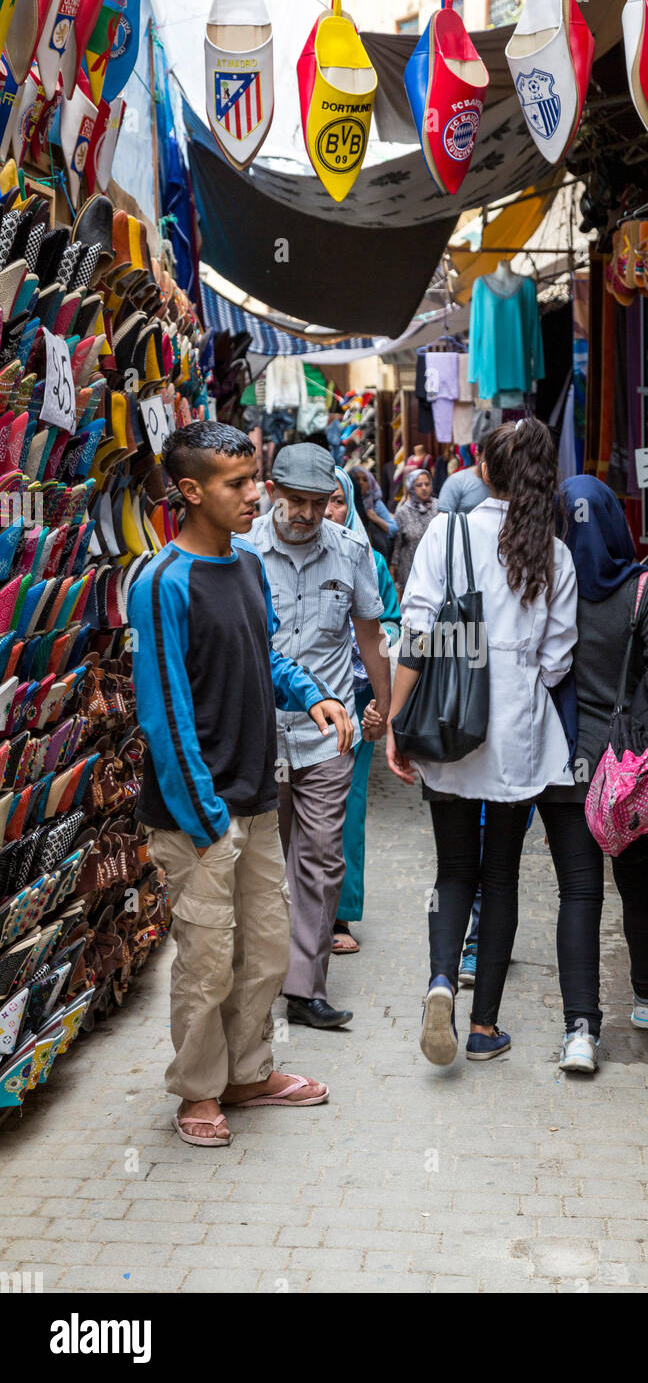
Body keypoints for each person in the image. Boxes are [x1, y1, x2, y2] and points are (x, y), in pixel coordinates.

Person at [128, 421, 353, 1148]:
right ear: (191, 492)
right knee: (205, 960)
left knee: (264, 951)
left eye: (254, 479)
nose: (256, 495)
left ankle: (248, 1074)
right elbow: (165, 714)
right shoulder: (161, 583)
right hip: (200, 817)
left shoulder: (249, 566)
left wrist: (311, 691)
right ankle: (198, 1091)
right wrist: (206, 820)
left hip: (257, 798)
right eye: (238, 484)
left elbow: (267, 657)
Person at [386, 417, 578, 1066]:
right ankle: (483, 1027)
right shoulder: (556, 555)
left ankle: (441, 979)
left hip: (448, 722)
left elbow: (415, 632)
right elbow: (556, 663)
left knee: (452, 871)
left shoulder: (446, 531)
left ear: (484, 471)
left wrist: (396, 721)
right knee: (501, 877)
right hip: (518, 732)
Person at [536, 476, 648, 1075]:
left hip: (564, 764)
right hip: (632, 773)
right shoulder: (641, 590)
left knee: (577, 893)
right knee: (638, 885)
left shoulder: (545, 589)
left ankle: (580, 1032)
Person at [248, 443, 392, 1029]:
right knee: (263, 862)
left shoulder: (352, 551)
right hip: (260, 735)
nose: (307, 514)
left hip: (329, 735)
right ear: (273, 492)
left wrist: (384, 710)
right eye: (296, 502)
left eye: (318, 502)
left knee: (321, 858)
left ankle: (304, 988)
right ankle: (258, 982)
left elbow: (369, 635)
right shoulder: (242, 551)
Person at [324, 468, 402, 952]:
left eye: (335, 501)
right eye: (316, 500)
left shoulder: (369, 561)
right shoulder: (276, 558)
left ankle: (339, 915)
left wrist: (379, 692)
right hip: (294, 703)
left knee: (347, 806)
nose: (327, 512)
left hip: (355, 699)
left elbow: (391, 620)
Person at [392, 469, 438, 594]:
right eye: (418, 485)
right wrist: (393, 574)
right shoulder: (402, 513)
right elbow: (396, 547)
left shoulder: (438, 507)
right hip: (411, 569)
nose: (424, 488)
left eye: (427, 484)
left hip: (435, 568)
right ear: (411, 487)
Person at [351, 467, 397, 554]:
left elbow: (394, 529)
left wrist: (376, 519)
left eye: (365, 480)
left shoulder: (375, 503)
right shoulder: (348, 502)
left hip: (377, 551)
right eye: (357, 479)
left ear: (371, 482)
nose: (360, 483)